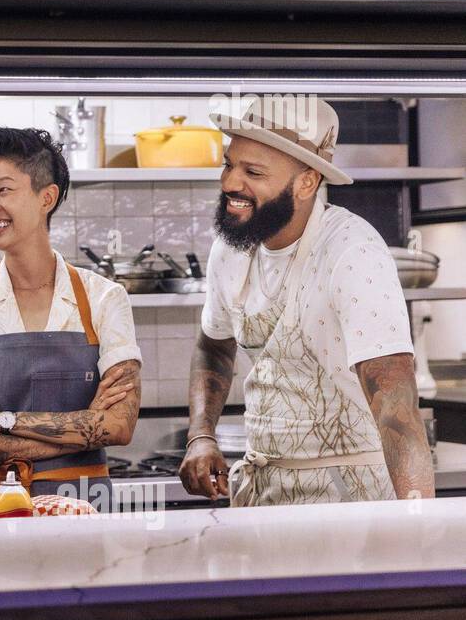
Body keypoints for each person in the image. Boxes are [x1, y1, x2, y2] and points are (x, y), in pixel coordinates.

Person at [179, 95, 435, 506]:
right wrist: (201, 434)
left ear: (307, 182)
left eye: (253, 172)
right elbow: (214, 345)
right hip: (261, 490)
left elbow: (396, 407)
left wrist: (417, 527)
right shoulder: (231, 248)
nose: (230, 183)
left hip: (350, 498)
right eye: (229, 164)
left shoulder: (351, 250)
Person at [0, 126, 142, 517]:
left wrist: (3, 421)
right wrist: (79, 430)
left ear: (47, 197)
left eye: (4, 189)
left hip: (81, 511)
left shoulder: (104, 300)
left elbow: (119, 426)